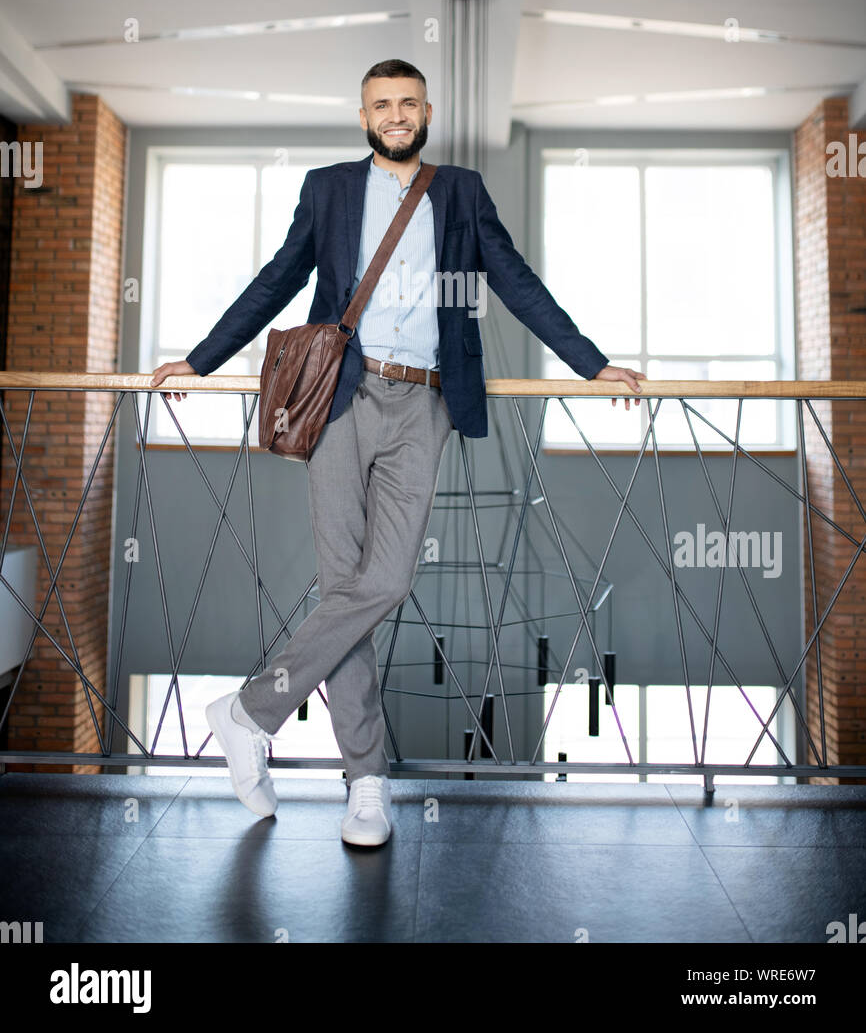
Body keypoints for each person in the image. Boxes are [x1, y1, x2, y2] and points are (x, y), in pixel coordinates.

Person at [150, 58, 644, 845]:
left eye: (408, 103)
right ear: (363, 115)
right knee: (349, 586)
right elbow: (277, 280)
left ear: (427, 110)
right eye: (382, 104)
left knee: (383, 580)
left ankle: (249, 711)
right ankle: (367, 783)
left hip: (425, 403)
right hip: (340, 398)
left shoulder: (460, 193)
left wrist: (590, 361)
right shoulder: (329, 190)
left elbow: (514, 280)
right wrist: (202, 359)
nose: (396, 114)